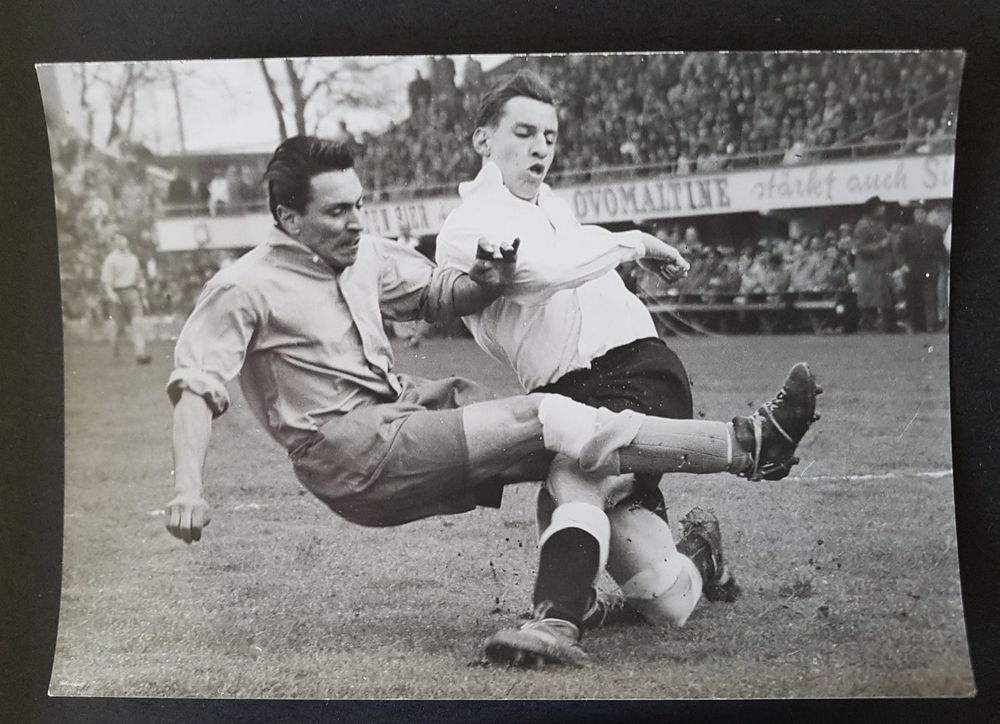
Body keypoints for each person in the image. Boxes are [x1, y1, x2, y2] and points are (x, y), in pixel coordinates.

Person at [165, 135, 820, 671]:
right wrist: (188, 489)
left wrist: (485, 280)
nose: (357, 222)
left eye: (359, 205)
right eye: (337, 212)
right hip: (348, 451)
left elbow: (438, 295)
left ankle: (641, 578)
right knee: (547, 416)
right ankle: (750, 443)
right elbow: (195, 386)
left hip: (406, 416)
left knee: (637, 557)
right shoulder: (242, 287)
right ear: (287, 218)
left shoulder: (362, 254)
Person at [435, 70, 820, 667]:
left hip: (637, 369)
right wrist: (635, 241)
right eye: (524, 132)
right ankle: (701, 553)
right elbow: (538, 276)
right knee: (667, 602)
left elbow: (562, 260)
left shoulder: (553, 207)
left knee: (577, 475)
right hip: (565, 396)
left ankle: (557, 620)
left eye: (550, 136)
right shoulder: (466, 226)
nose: (541, 148)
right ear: (483, 139)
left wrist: (620, 244)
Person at [100, 228, 151, 364]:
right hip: (117, 294)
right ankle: (115, 353)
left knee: (137, 323)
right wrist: (111, 294)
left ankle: (140, 354)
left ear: (127, 240)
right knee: (117, 327)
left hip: (132, 292)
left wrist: (144, 297)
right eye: (117, 239)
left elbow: (139, 279)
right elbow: (106, 281)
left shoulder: (133, 259)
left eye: (122, 238)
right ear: (114, 242)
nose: (120, 241)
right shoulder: (111, 259)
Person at [897, 202, 948, 333]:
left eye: (922, 213)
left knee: (930, 297)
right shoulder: (906, 231)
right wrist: (903, 265)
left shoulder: (935, 231)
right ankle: (916, 326)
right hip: (912, 267)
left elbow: (941, 249)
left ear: (926, 214)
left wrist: (945, 263)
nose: (919, 215)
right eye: (917, 213)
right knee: (914, 297)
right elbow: (900, 250)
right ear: (914, 215)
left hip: (929, 267)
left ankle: (931, 325)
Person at [852, 196, 898, 333]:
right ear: (873, 209)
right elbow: (859, 247)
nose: (883, 209)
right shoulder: (862, 225)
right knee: (869, 298)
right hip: (868, 267)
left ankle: (888, 325)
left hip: (882, 267)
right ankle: (868, 325)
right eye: (880, 207)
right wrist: (880, 245)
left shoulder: (880, 224)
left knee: (886, 296)